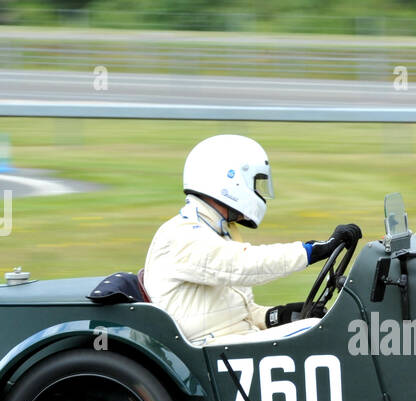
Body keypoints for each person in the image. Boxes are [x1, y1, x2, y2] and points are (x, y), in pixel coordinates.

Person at [143, 134, 361, 343]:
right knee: (329, 333)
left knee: (317, 323)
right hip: (211, 348)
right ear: (229, 180)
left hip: (231, 341)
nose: (259, 192)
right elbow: (244, 265)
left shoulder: (217, 231)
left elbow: (238, 313)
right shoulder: (180, 234)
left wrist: (280, 315)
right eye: (255, 182)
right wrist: (310, 252)